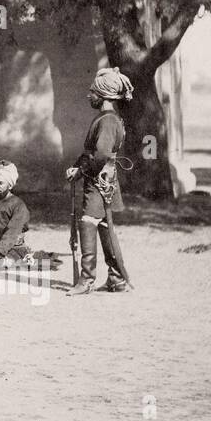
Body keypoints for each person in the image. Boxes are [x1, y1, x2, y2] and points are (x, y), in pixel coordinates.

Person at [67, 67, 136, 295]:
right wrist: (78, 165)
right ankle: (117, 280)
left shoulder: (107, 120)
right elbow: (93, 152)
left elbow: (101, 154)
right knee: (105, 226)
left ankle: (86, 281)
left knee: (88, 222)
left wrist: (80, 171)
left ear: (103, 95)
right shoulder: (109, 118)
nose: (89, 96)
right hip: (104, 180)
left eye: (92, 92)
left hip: (98, 182)